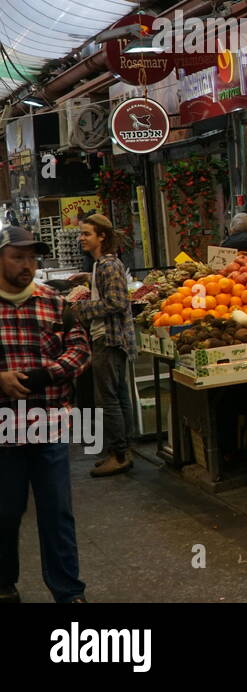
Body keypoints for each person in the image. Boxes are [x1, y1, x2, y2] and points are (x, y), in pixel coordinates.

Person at [0, 226, 93, 604]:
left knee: (56, 511)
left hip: (50, 421)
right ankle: (4, 583)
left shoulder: (54, 302)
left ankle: (68, 592)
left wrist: (47, 374)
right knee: (5, 512)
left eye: (32, 257)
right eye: (17, 257)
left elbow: (81, 351)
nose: (27, 265)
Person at [66, 214, 136, 477]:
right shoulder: (101, 266)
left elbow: (117, 302)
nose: (80, 238)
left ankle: (119, 454)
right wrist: (89, 277)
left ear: (102, 237)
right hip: (109, 337)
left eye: (86, 234)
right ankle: (123, 450)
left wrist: (80, 308)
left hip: (109, 337)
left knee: (108, 398)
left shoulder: (108, 265)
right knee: (118, 395)